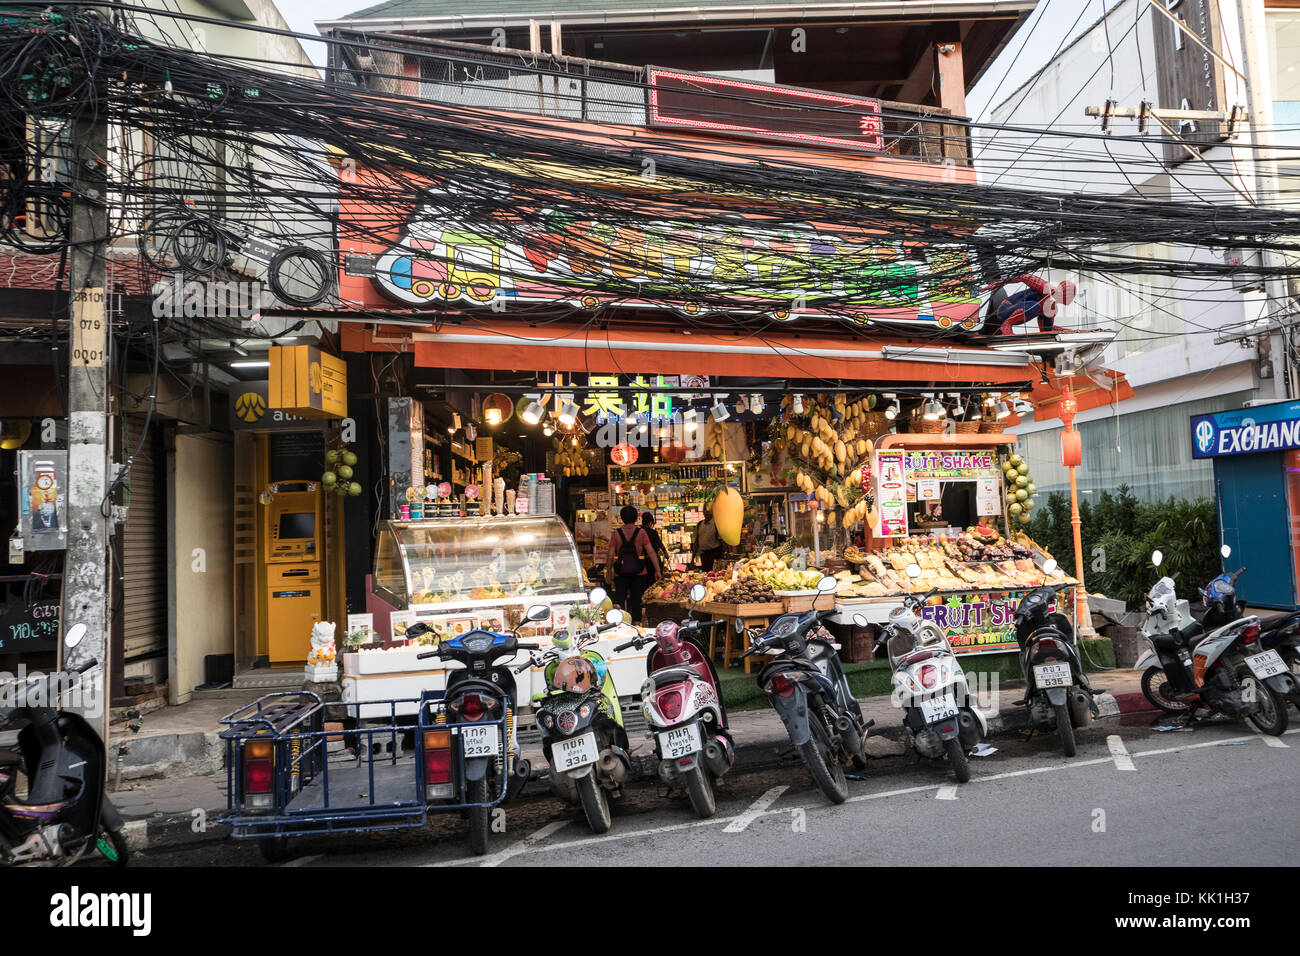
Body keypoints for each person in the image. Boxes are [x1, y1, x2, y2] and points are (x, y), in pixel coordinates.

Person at [608, 505, 661, 625]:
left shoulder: (616, 534)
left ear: (621, 518)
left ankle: (619, 624)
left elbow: (610, 555)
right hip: (639, 572)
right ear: (636, 518)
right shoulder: (641, 533)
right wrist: (657, 570)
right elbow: (651, 552)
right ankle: (637, 625)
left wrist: (608, 571)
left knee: (619, 599)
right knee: (636, 600)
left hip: (620, 572)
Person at [641, 511, 670, 578]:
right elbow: (660, 544)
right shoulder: (653, 532)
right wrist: (666, 554)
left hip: (642, 561)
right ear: (650, 522)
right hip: (653, 561)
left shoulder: (639, 532)